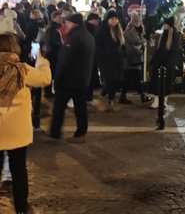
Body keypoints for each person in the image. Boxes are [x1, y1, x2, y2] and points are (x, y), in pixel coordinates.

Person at [0, 33, 51, 214]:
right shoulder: (22, 70)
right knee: (19, 169)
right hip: (17, 131)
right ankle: (21, 208)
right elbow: (45, 79)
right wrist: (42, 60)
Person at [49, 13, 95, 142]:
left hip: (68, 80)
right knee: (80, 108)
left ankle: (55, 132)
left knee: (59, 107)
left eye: (67, 23)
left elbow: (64, 61)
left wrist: (57, 79)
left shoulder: (74, 37)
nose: (65, 25)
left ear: (73, 23)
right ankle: (80, 133)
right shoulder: (88, 36)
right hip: (82, 79)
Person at [95, 11, 126, 111]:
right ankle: (110, 100)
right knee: (110, 80)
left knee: (116, 80)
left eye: (116, 19)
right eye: (112, 19)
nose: (114, 21)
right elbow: (98, 46)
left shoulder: (118, 30)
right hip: (106, 60)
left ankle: (104, 95)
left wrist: (123, 54)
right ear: (107, 19)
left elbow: (121, 45)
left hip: (117, 60)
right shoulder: (102, 30)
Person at [149, 17, 181, 110]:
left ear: (169, 25)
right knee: (161, 83)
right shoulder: (165, 34)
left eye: (165, 24)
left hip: (166, 64)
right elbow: (160, 49)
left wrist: (167, 62)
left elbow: (171, 51)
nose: (164, 25)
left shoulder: (172, 35)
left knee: (163, 83)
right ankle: (160, 101)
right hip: (162, 63)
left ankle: (161, 102)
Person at [122, 14, 149, 103]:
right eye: (136, 20)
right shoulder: (130, 30)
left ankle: (124, 96)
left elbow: (140, 41)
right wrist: (142, 44)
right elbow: (136, 42)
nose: (137, 21)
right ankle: (142, 96)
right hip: (131, 58)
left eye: (138, 19)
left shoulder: (140, 29)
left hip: (134, 58)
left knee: (130, 78)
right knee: (135, 78)